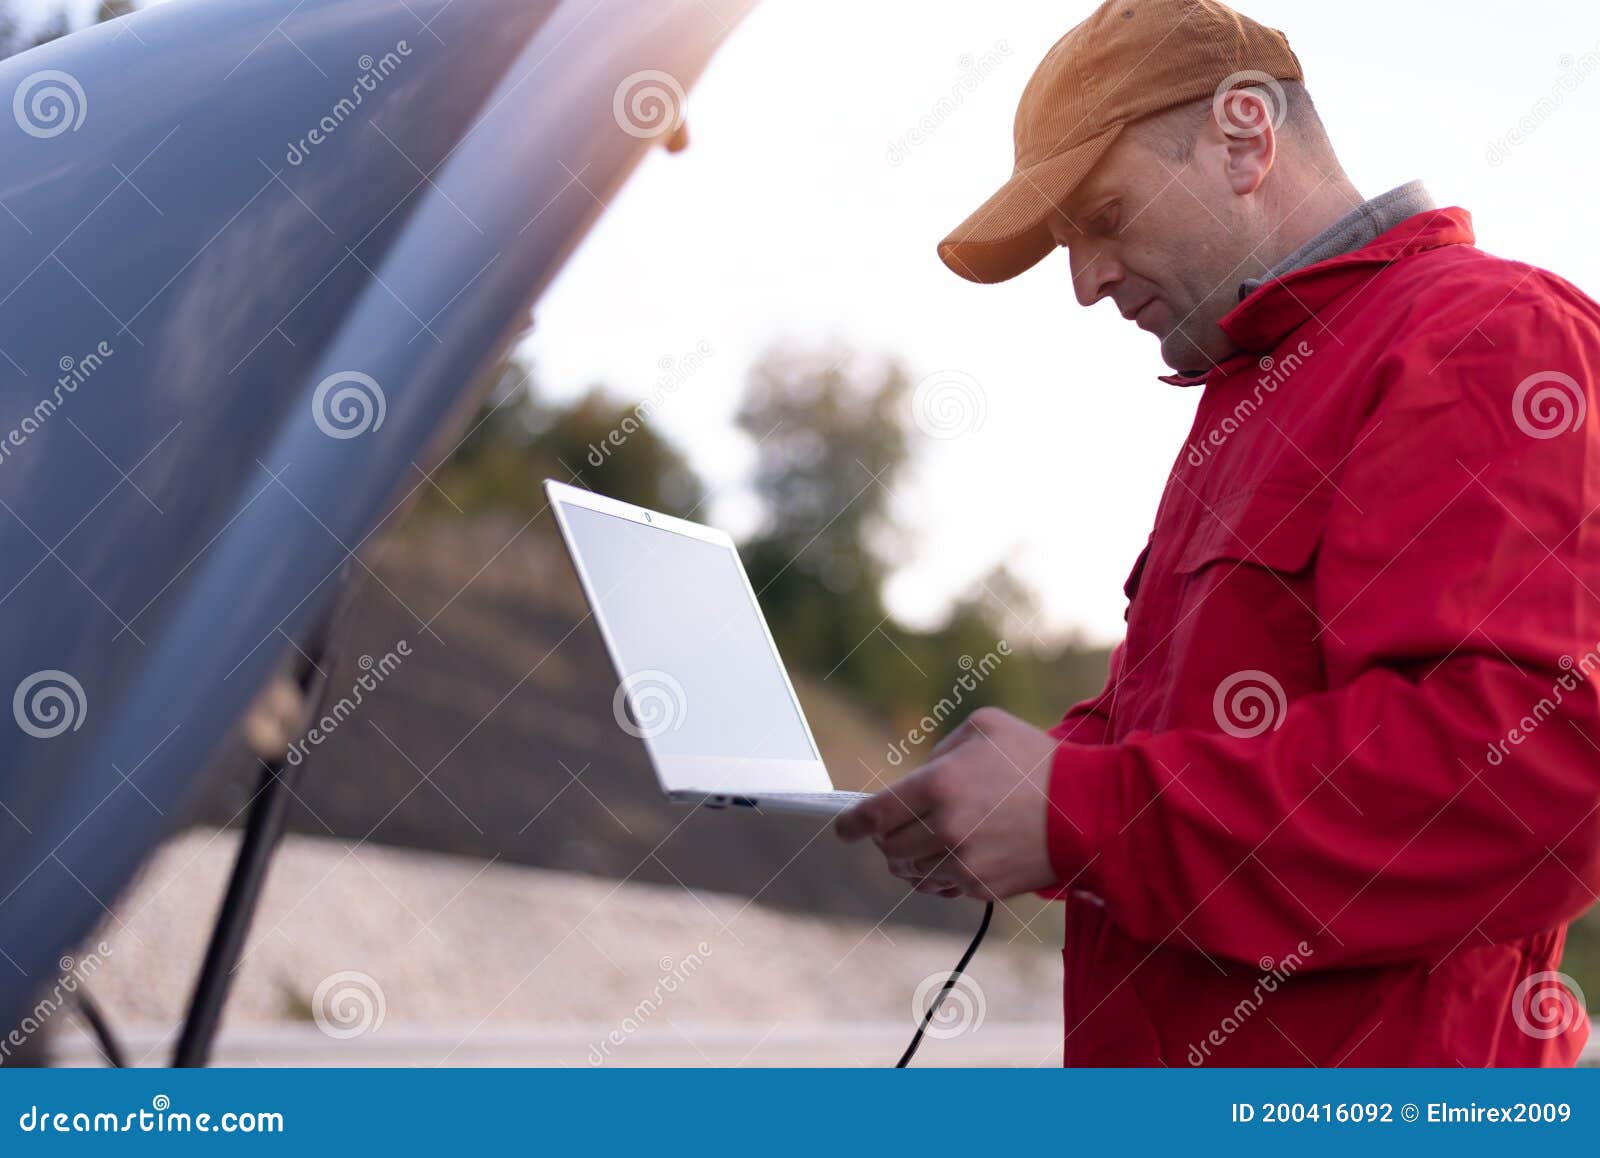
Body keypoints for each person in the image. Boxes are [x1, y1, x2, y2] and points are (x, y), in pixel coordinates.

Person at [836, 0, 1600, 1066]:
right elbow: (1199, 735)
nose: (1085, 282)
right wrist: (1019, 783)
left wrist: (1083, 814)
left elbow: (1535, 777)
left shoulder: (1484, 338)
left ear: (1244, 135)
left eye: (1102, 217)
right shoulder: (1251, 399)